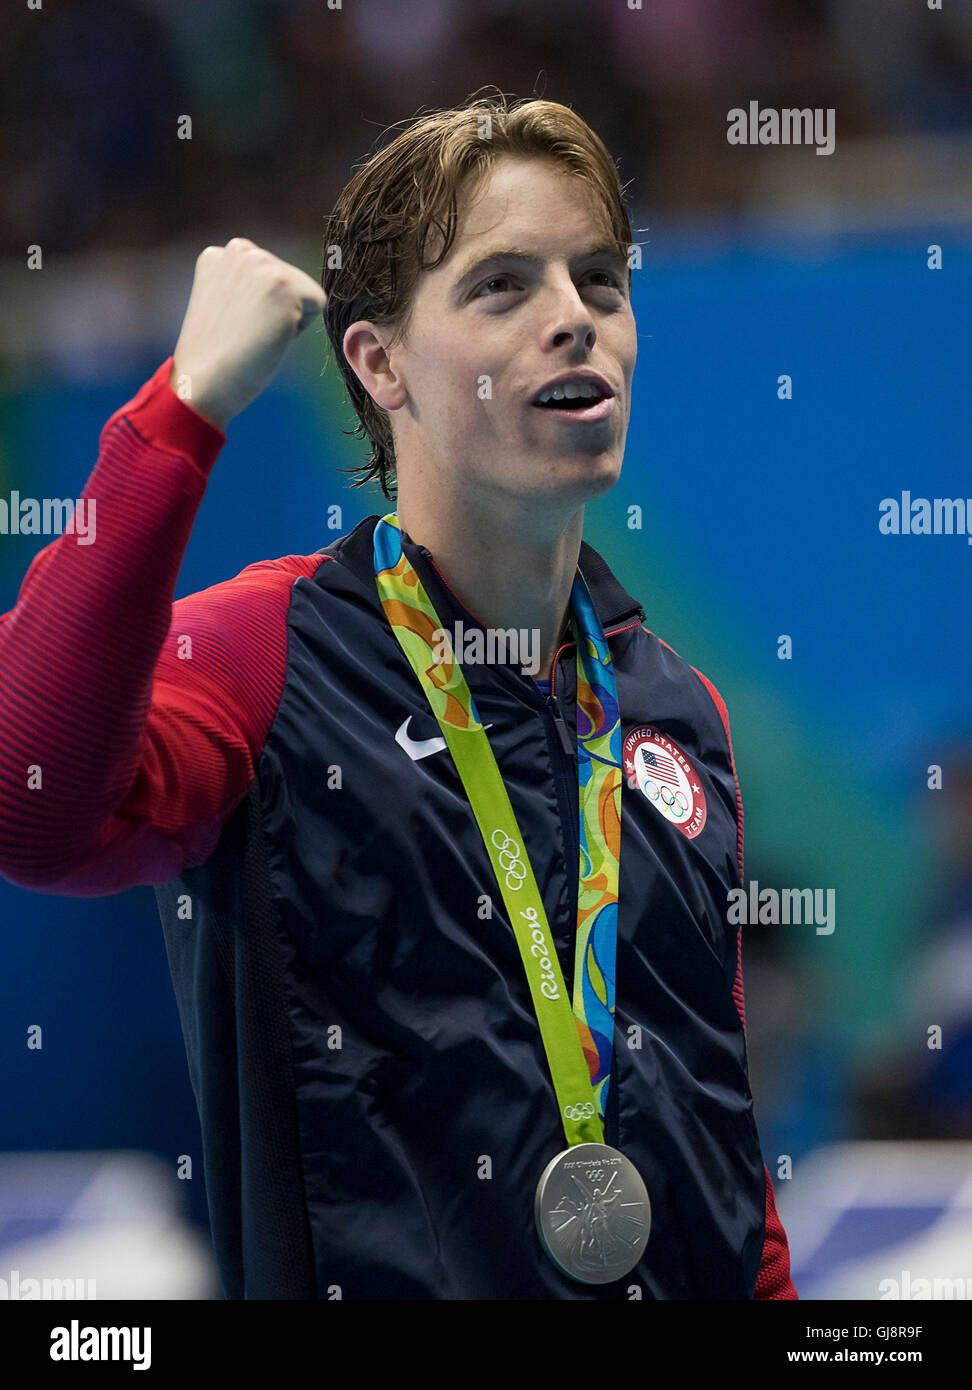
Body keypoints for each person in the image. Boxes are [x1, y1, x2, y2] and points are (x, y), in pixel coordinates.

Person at [0, 91, 796, 1299]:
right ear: (379, 364)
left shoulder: (674, 709)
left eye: (600, 280)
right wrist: (183, 410)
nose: (574, 319)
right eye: (503, 286)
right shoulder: (266, 656)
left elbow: (723, 1170)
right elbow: (31, 803)